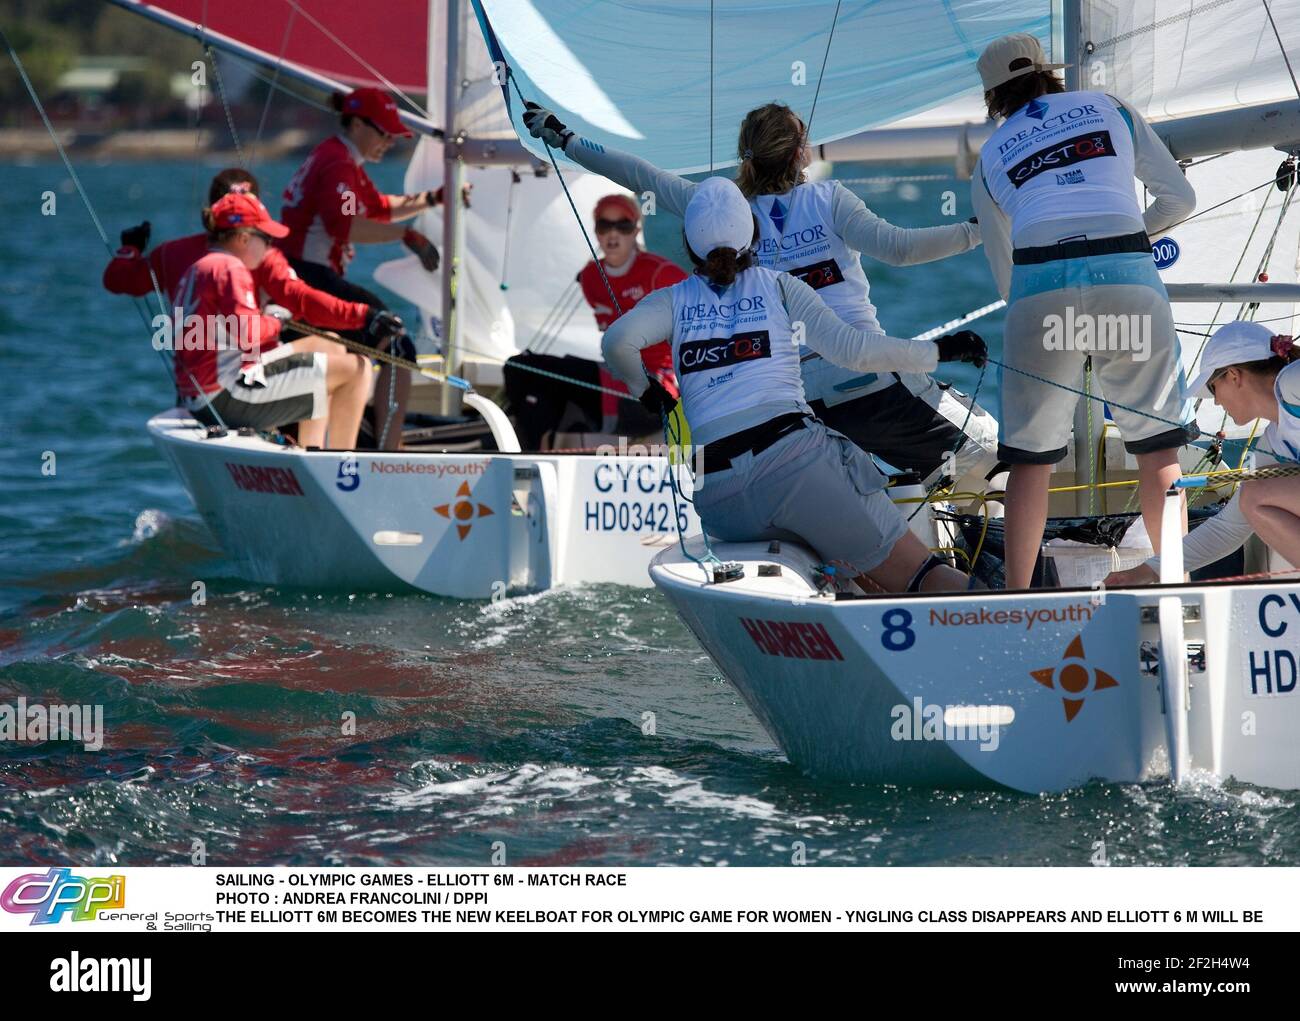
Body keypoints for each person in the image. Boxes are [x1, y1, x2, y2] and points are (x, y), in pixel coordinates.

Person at [523, 98, 1000, 488]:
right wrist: (978, 231)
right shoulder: (831, 200)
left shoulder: (717, 208)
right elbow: (901, 248)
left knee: (877, 478)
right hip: (866, 381)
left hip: (792, 402)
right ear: (801, 153)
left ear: (746, 154)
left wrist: (563, 138)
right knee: (992, 458)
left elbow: (639, 175)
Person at [602, 176, 986, 593]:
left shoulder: (672, 299)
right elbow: (854, 350)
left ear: (688, 243)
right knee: (923, 577)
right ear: (753, 232)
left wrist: (644, 390)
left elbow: (618, 342)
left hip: (718, 499)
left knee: (855, 580)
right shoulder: (781, 286)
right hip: (794, 471)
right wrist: (937, 351)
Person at [970, 33, 1199, 588]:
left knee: (1031, 461)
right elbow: (1181, 200)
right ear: (1050, 72)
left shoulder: (988, 156)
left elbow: (1008, 272)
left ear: (993, 97)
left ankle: (1016, 601)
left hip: (1040, 289)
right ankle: (1174, 592)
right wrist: (1123, 242)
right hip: (1127, 275)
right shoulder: (1109, 108)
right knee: (1157, 448)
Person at [278, 87, 454, 449]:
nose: (390, 141)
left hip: (301, 274)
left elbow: (378, 208)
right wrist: (408, 237)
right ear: (357, 124)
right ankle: (390, 450)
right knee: (396, 345)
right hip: (308, 275)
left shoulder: (340, 158)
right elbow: (343, 224)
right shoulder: (339, 163)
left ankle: (346, 439)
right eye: (384, 132)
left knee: (360, 347)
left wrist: (435, 198)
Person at [104, 168, 404, 354]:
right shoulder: (266, 258)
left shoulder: (169, 253)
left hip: (197, 385)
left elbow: (119, 281)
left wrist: (129, 249)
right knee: (334, 352)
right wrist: (363, 315)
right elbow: (303, 300)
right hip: (248, 381)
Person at [172, 191, 370, 449]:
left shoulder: (200, 266)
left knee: (329, 344)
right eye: (265, 239)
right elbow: (248, 334)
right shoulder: (231, 268)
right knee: (358, 368)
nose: (269, 247)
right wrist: (277, 320)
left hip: (200, 396)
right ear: (244, 238)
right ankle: (342, 465)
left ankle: (314, 450)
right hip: (225, 396)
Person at [1106, 322, 1300, 584]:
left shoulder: (1291, 382)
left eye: (1212, 388)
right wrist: (1146, 571)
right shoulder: (1273, 443)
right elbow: (1227, 529)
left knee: (1255, 493)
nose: (1217, 402)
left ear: (1234, 375)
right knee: (1253, 495)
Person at [579, 193, 687, 435]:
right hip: (613, 371)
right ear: (596, 231)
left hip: (658, 376)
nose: (613, 234)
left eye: (623, 225)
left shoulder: (663, 273)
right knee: (523, 367)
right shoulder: (589, 277)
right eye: (605, 225)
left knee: (633, 402)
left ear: (635, 230)